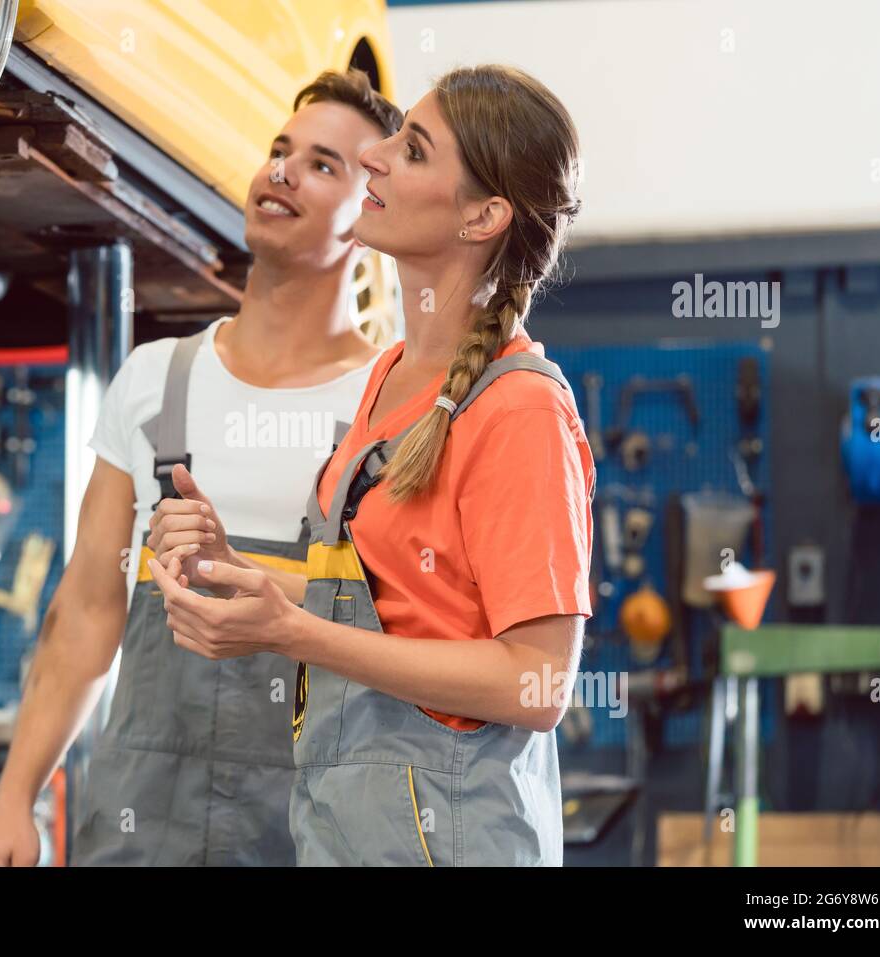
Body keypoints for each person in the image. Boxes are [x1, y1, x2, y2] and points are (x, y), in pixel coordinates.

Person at [147, 64, 595, 866]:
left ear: (484, 214)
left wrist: (294, 632)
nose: (377, 159)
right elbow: (391, 606)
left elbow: (537, 683)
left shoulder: (519, 408)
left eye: (413, 150)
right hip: (348, 831)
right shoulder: (390, 378)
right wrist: (236, 569)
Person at [0, 69, 402, 867]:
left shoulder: (389, 402)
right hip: (141, 824)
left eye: (322, 164)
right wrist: (14, 799)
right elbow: (87, 611)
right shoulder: (154, 379)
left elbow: (411, 623)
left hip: (315, 828)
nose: (282, 169)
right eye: (280, 149)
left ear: (368, 214)